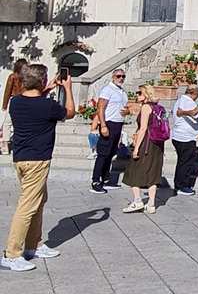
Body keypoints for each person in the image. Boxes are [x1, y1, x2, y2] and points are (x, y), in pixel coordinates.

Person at [1, 64, 75, 272]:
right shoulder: (48, 106)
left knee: (38, 201)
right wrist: (67, 88)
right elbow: (70, 112)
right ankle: (12, 253)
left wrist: (46, 88)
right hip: (38, 161)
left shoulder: (16, 102)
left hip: (22, 159)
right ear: (41, 82)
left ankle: (34, 245)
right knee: (27, 206)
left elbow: (32, 100)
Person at [122, 85, 165, 214]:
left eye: (139, 93)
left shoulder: (146, 107)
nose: (137, 95)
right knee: (153, 172)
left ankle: (137, 200)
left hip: (146, 143)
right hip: (157, 144)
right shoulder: (157, 107)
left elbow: (143, 128)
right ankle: (151, 204)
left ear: (146, 94)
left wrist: (136, 149)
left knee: (134, 170)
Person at [90, 69, 130, 194]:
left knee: (111, 152)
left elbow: (124, 108)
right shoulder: (108, 89)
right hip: (109, 123)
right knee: (103, 153)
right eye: (118, 76)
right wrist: (103, 125)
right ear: (113, 77)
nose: (121, 78)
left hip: (118, 124)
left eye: (123, 76)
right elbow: (101, 107)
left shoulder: (122, 92)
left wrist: (127, 112)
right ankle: (96, 180)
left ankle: (105, 178)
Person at [171, 85, 198, 196]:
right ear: (193, 93)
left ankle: (178, 184)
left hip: (178, 136)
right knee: (186, 163)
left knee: (182, 162)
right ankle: (182, 186)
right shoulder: (189, 102)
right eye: (197, 95)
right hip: (185, 138)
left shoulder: (180, 100)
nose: (197, 97)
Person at [1, 58, 27, 154]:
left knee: (9, 122)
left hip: (17, 99)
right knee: (15, 122)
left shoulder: (15, 77)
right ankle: (12, 143)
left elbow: (7, 91)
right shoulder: (21, 77)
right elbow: (8, 91)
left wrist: (4, 105)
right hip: (21, 99)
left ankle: (7, 145)